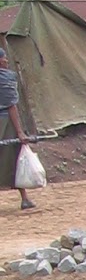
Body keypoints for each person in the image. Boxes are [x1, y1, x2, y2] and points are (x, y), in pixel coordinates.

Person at [0, 39, 34, 212]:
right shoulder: (6, 78)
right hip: (6, 123)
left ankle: (25, 198)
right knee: (14, 157)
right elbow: (12, 106)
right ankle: (24, 198)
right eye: (4, 58)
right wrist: (20, 132)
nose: (6, 60)